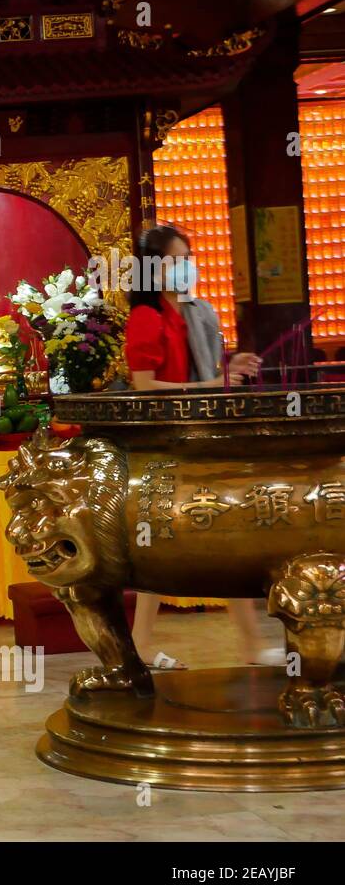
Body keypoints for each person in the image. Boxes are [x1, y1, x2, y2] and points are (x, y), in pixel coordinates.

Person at [123, 225, 280, 669]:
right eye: (176, 259)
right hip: (164, 443)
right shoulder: (147, 317)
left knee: (208, 543)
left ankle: (148, 643)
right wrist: (214, 382)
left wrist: (229, 366)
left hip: (195, 437)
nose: (186, 266)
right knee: (186, 547)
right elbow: (145, 385)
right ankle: (145, 644)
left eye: (187, 257)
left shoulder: (190, 313)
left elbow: (201, 371)